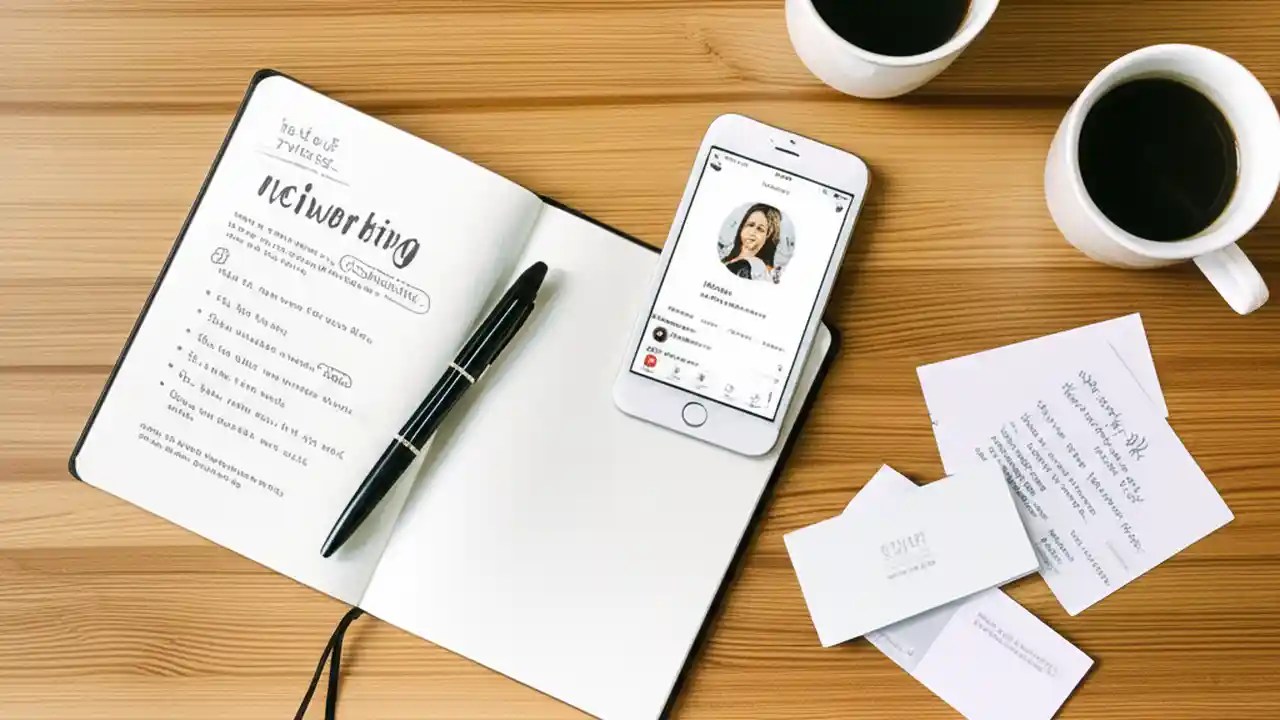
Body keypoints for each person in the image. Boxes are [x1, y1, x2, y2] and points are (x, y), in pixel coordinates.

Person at [722, 203, 783, 283]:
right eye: (750, 225)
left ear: (768, 237)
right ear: (742, 226)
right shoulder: (727, 259)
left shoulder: (756, 267)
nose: (752, 232)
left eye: (760, 229)